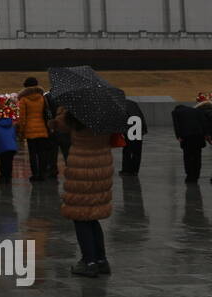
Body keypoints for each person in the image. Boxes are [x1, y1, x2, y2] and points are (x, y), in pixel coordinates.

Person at [53, 106, 114, 277]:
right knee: (92, 217)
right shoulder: (105, 114)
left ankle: (89, 262)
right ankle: (101, 260)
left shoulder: (74, 114)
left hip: (82, 169)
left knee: (80, 217)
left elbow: (57, 125)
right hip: (101, 168)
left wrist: (62, 109)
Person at [16, 78, 52, 181]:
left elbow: (22, 118)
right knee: (42, 153)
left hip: (30, 131)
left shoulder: (23, 100)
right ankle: (43, 174)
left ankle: (35, 174)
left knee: (32, 154)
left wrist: (21, 132)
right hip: (43, 130)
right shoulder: (42, 98)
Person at [171, 104, 207, 183]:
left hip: (187, 136)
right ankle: (196, 175)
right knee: (197, 156)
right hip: (198, 135)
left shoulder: (175, 112)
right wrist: (205, 134)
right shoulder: (196, 110)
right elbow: (203, 122)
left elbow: (176, 124)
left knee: (187, 156)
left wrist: (178, 136)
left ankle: (190, 175)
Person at [119, 98, 147, 176]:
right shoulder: (134, 104)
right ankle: (135, 171)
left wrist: (120, 132)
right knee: (137, 152)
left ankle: (126, 170)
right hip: (138, 128)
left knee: (127, 150)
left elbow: (121, 119)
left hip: (129, 129)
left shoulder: (121, 105)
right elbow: (141, 116)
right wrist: (144, 129)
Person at [0, 113, 17, 182]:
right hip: (12, 147)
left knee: (3, 162)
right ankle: (8, 176)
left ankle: (3, 176)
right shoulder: (11, 126)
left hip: (2, 148)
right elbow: (14, 137)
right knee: (9, 162)